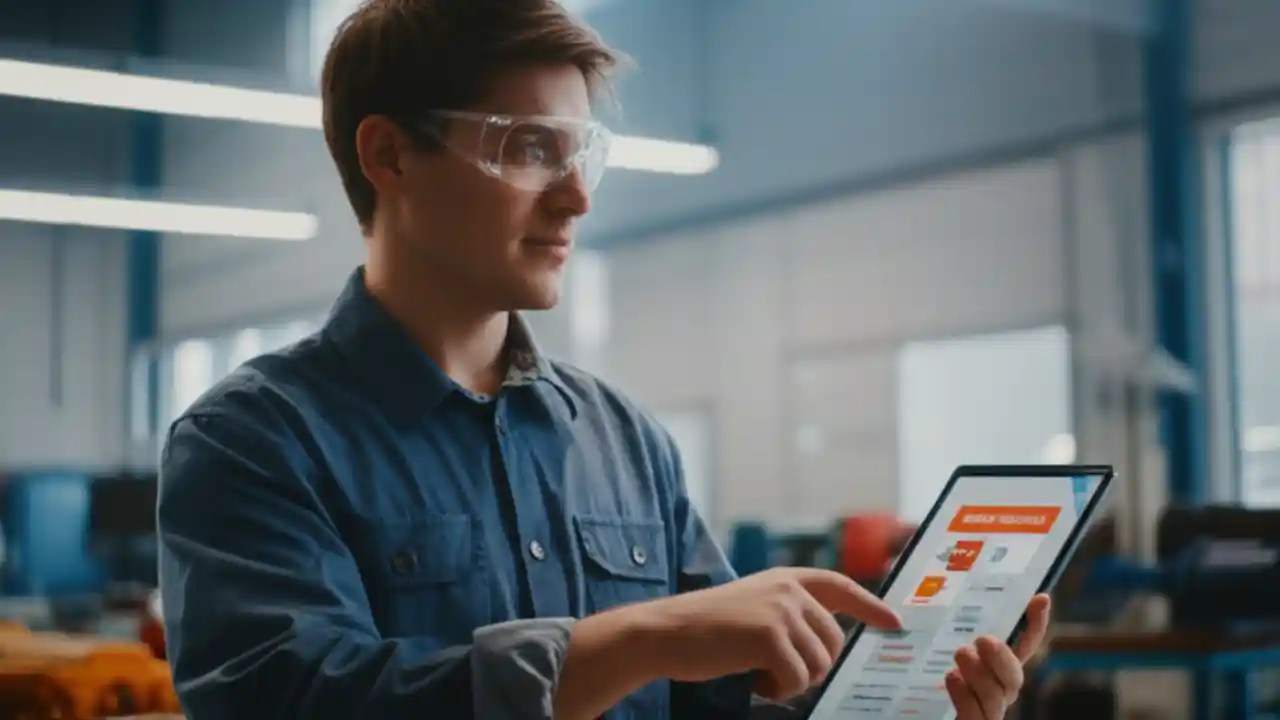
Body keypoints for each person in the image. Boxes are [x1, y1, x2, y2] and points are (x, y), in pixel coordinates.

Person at [156, 0, 1051, 718]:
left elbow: (721, 697)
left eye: (582, 152)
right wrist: (631, 641)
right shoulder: (252, 443)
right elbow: (297, 698)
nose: (577, 196)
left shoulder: (624, 440)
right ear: (390, 154)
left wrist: (902, 703)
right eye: (529, 147)